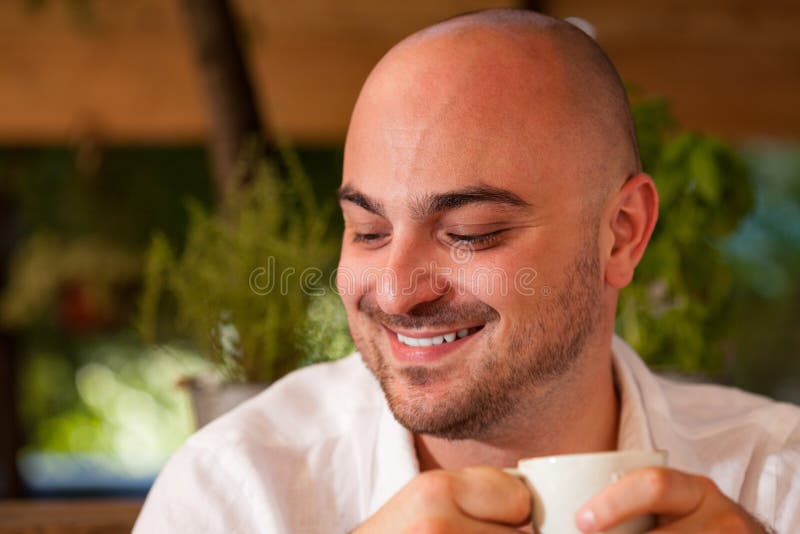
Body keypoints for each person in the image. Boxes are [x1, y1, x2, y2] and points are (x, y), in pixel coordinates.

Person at [134, 9, 799, 533]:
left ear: (621, 234)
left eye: (468, 233)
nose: (395, 290)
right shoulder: (240, 489)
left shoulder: (774, 481)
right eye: (368, 231)